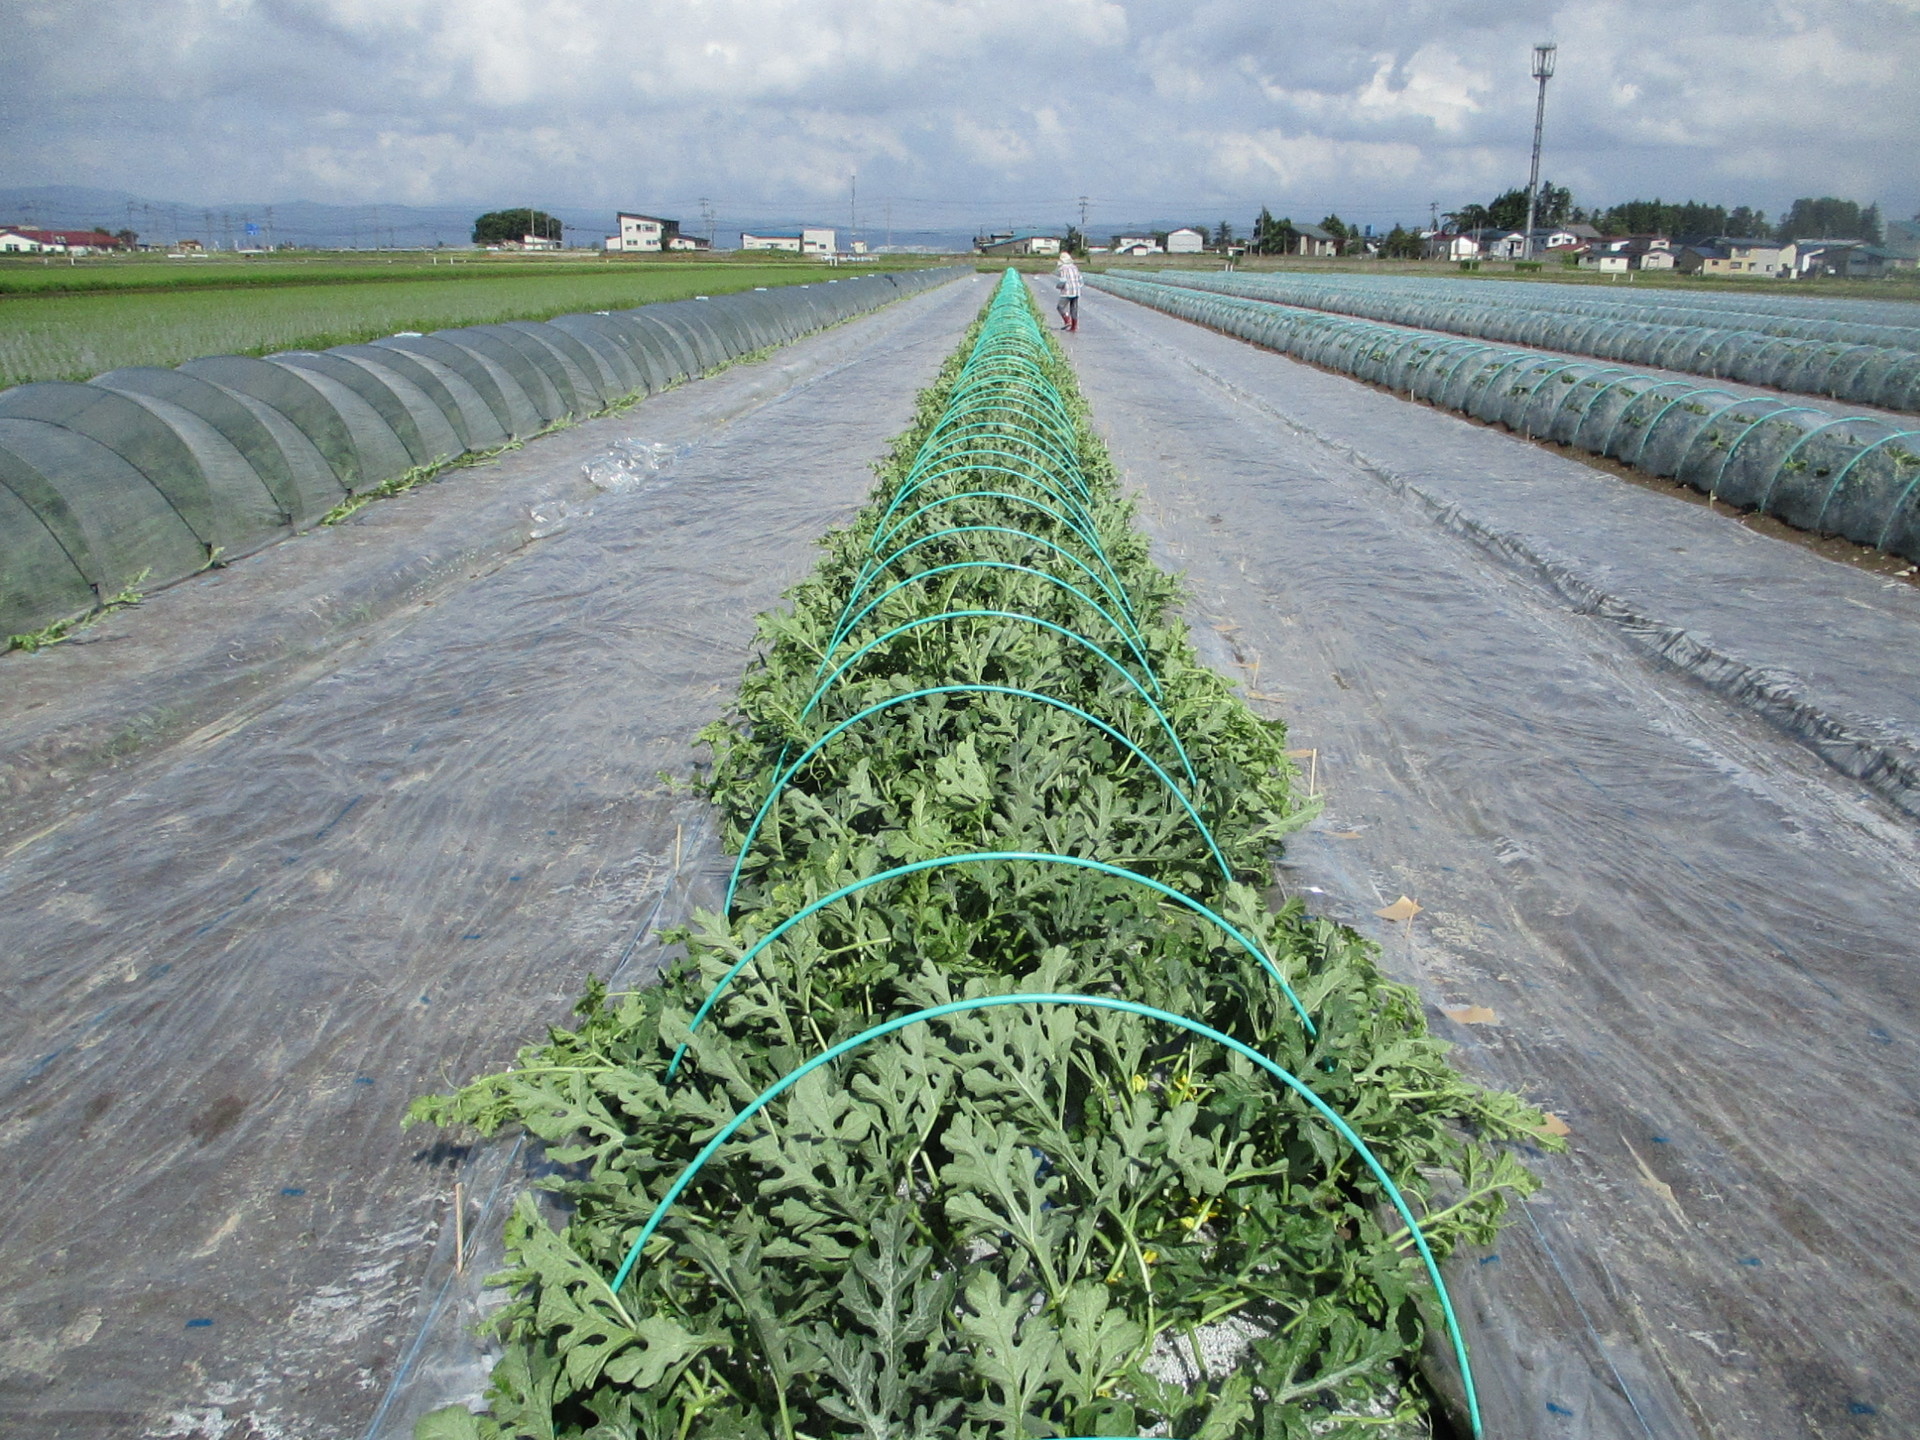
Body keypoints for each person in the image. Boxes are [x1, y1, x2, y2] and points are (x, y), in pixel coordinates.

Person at [1054, 252, 1083, 331]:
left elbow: (1063, 280)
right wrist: (1078, 286)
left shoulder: (1063, 268)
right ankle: (1074, 327)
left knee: (1060, 307)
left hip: (1067, 291)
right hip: (1076, 291)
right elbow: (1080, 279)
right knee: (1074, 309)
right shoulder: (1074, 267)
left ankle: (1067, 320)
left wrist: (1058, 286)